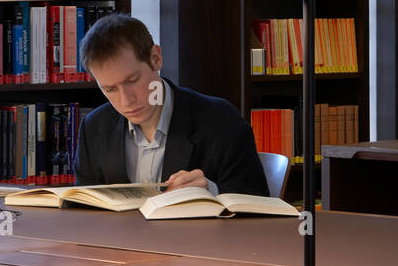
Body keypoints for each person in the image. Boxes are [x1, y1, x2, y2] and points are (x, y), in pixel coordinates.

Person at [73, 13, 269, 196]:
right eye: (110, 89)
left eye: (132, 80)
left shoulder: (221, 120)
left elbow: (259, 200)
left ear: (156, 58)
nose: (126, 100)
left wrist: (212, 191)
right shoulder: (93, 128)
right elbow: (83, 209)